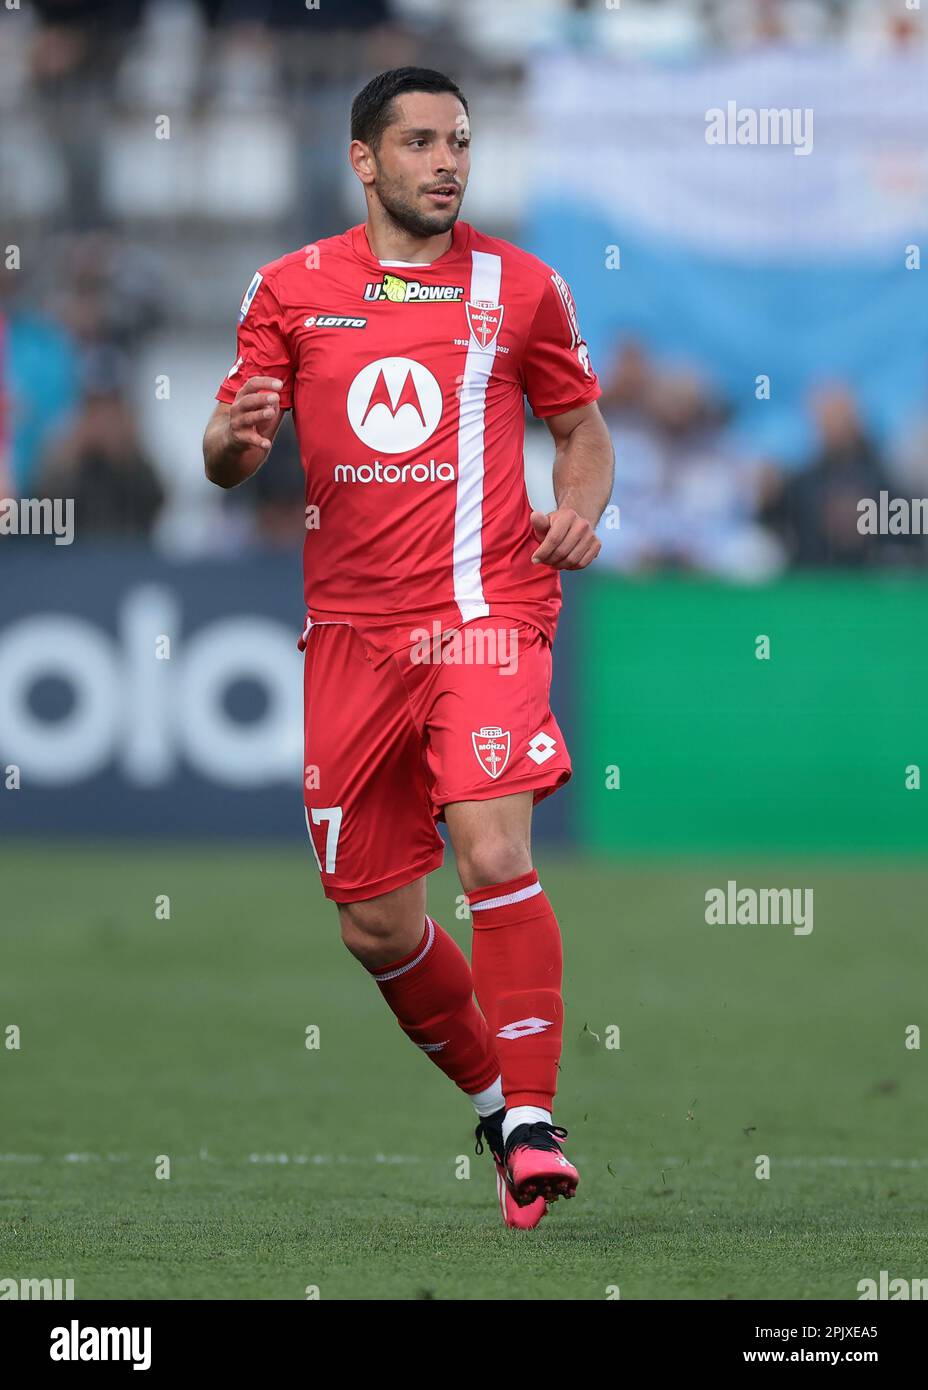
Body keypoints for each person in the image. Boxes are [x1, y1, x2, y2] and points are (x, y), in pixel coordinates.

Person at [202, 67, 614, 1229]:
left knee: (490, 845)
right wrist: (227, 442)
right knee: (375, 922)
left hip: (484, 612)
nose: (447, 162)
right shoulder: (289, 288)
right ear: (363, 159)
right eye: (422, 142)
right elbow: (232, 455)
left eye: (462, 143)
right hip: (349, 639)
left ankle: (533, 1117)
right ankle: (496, 1111)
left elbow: (580, 431)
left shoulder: (520, 287)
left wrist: (580, 506)